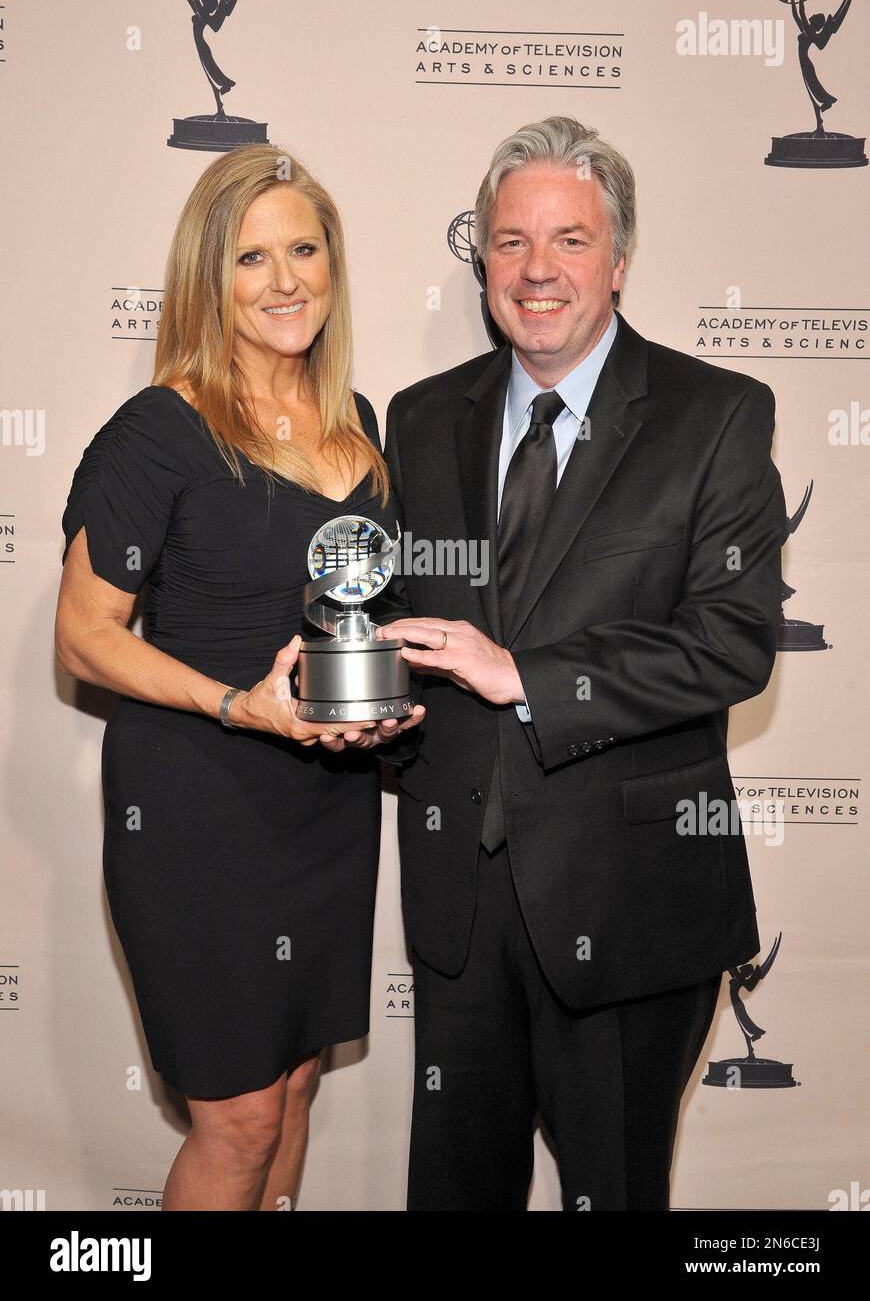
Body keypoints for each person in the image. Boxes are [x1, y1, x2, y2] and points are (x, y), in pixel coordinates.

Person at [375, 116, 788, 1210]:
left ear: (619, 257)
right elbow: (406, 620)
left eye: (569, 239)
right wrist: (359, 694)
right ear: (481, 260)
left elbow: (734, 638)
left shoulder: (716, 416)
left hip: (633, 900)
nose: (538, 269)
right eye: (509, 241)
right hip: (461, 905)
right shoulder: (420, 420)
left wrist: (528, 676)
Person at [54, 143, 423, 1211]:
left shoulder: (360, 421)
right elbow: (83, 638)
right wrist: (236, 703)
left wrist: (376, 704)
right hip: (199, 808)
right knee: (241, 1113)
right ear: (205, 278)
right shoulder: (159, 431)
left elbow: (361, 615)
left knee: (299, 1081)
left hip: (326, 803)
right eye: (250, 258)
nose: (285, 280)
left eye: (304, 248)